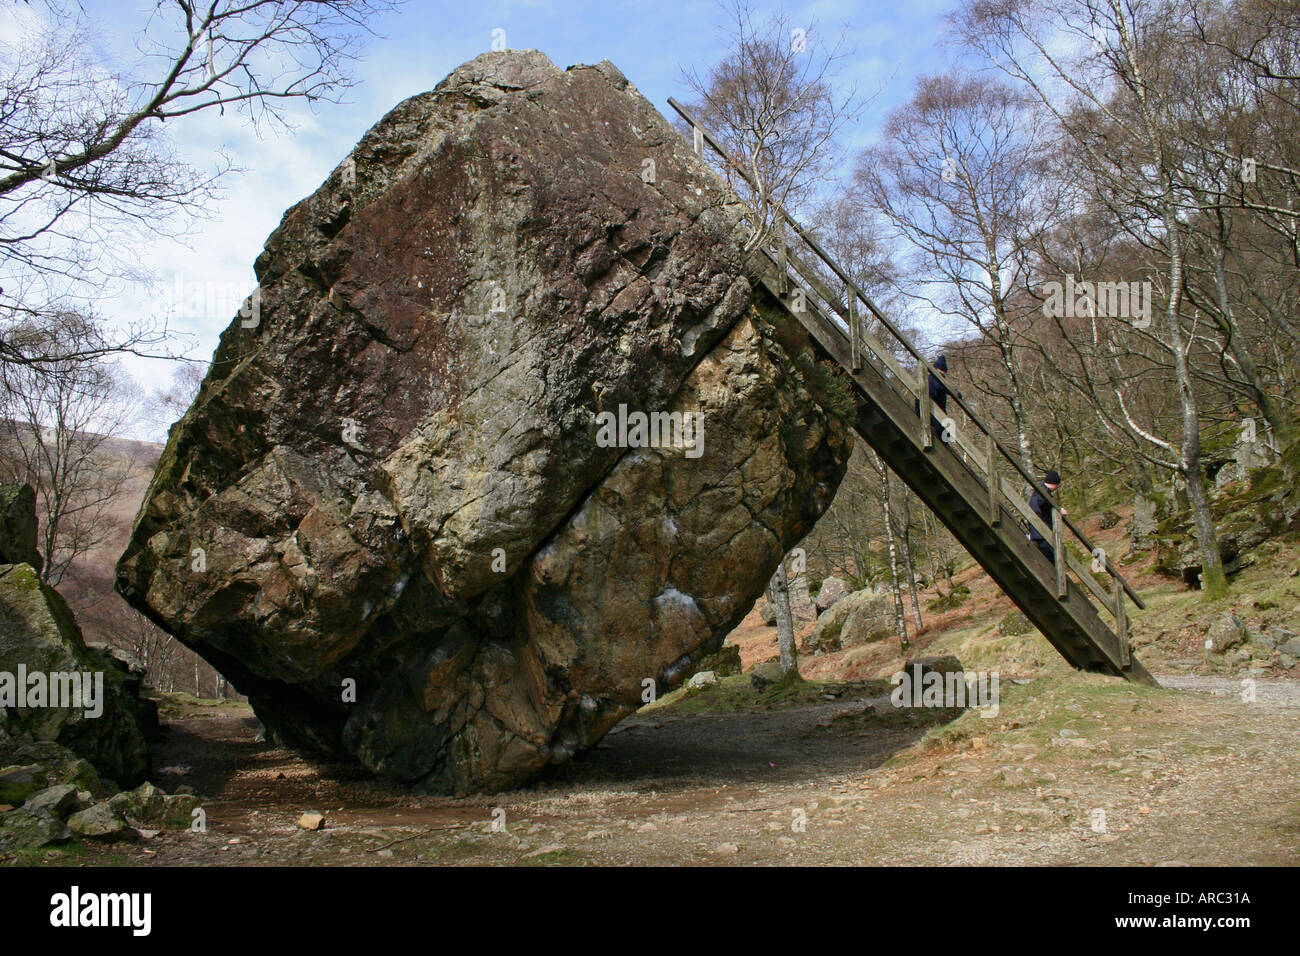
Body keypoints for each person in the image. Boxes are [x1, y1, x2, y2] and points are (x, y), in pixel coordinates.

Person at [915, 354, 962, 445]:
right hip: (932, 410)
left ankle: (945, 443)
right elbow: (940, 387)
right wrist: (956, 393)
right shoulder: (935, 378)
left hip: (925, 408)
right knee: (944, 428)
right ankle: (945, 446)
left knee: (944, 426)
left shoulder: (927, 378)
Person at [1029, 469, 1067, 562]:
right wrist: (1059, 510)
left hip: (1039, 532)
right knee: (1052, 559)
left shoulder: (1041, 491)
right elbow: (1042, 504)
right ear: (1055, 484)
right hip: (1041, 533)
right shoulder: (1042, 493)